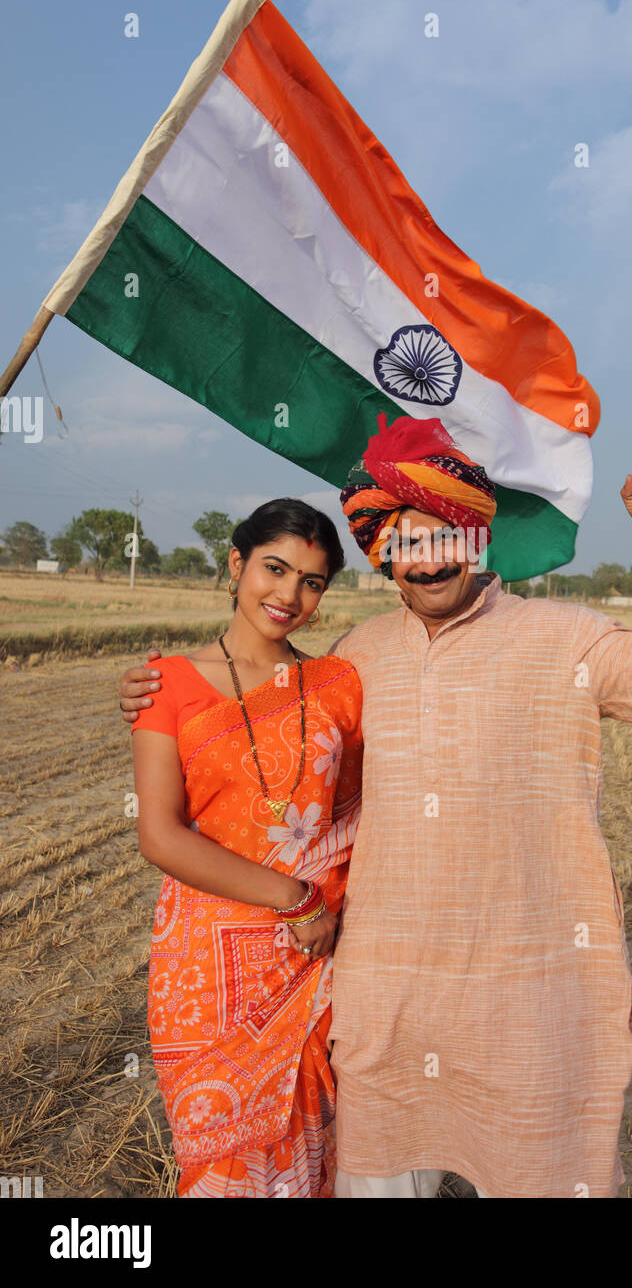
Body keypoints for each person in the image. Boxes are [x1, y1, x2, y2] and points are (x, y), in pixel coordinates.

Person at [121, 414, 632, 1199]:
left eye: (447, 536)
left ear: (479, 543)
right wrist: (160, 697)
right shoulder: (357, 659)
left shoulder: (565, 640)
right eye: (407, 545)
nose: (428, 562)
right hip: (387, 1004)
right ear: (383, 556)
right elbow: (268, 773)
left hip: (526, 1002)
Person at [129, 498, 362, 1198]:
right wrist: (292, 899)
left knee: (313, 1149)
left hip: (316, 964)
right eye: (275, 568)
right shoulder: (166, 685)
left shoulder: (338, 685)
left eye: (313, 581)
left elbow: (358, 821)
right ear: (235, 564)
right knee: (221, 1166)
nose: (289, 595)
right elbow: (160, 833)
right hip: (207, 972)